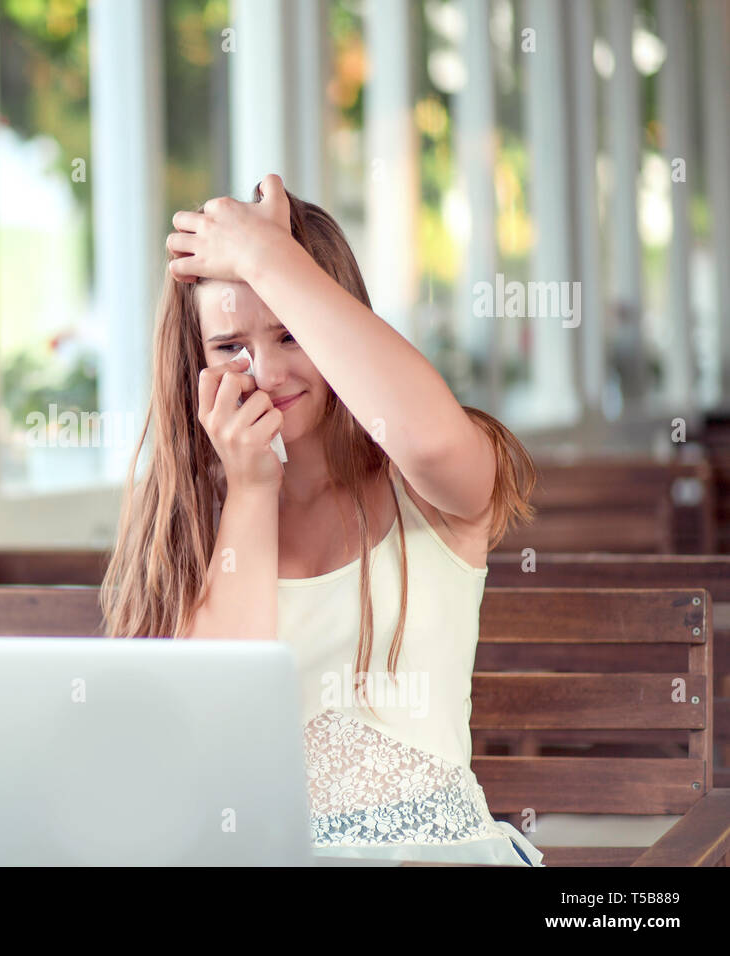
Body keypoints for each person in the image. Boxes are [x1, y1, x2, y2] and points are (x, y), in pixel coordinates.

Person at [100, 174, 544, 866]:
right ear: (196, 361)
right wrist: (249, 489)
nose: (268, 371)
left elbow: (425, 439)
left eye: (291, 331)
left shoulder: (425, 477)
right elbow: (219, 729)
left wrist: (263, 256)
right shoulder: (189, 512)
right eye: (230, 347)